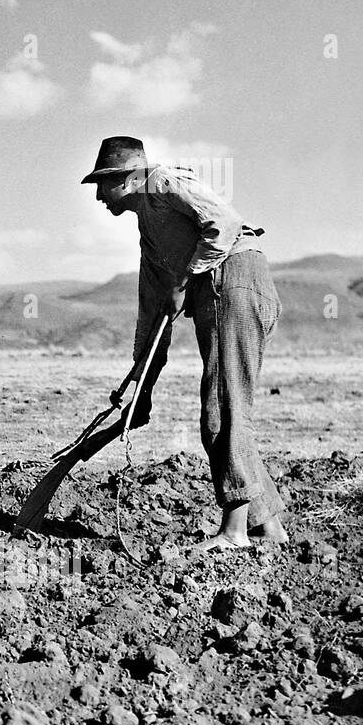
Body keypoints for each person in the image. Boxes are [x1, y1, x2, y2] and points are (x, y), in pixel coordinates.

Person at [81, 136, 286, 552]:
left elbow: (225, 224)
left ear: (126, 178)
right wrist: (141, 384)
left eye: (102, 184)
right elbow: (154, 318)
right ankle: (271, 530)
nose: (99, 196)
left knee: (222, 409)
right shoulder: (150, 239)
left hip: (235, 281)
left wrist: (189, 274)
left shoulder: (162, 181)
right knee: (223, 409)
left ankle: (235, 532)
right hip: (219, 291)